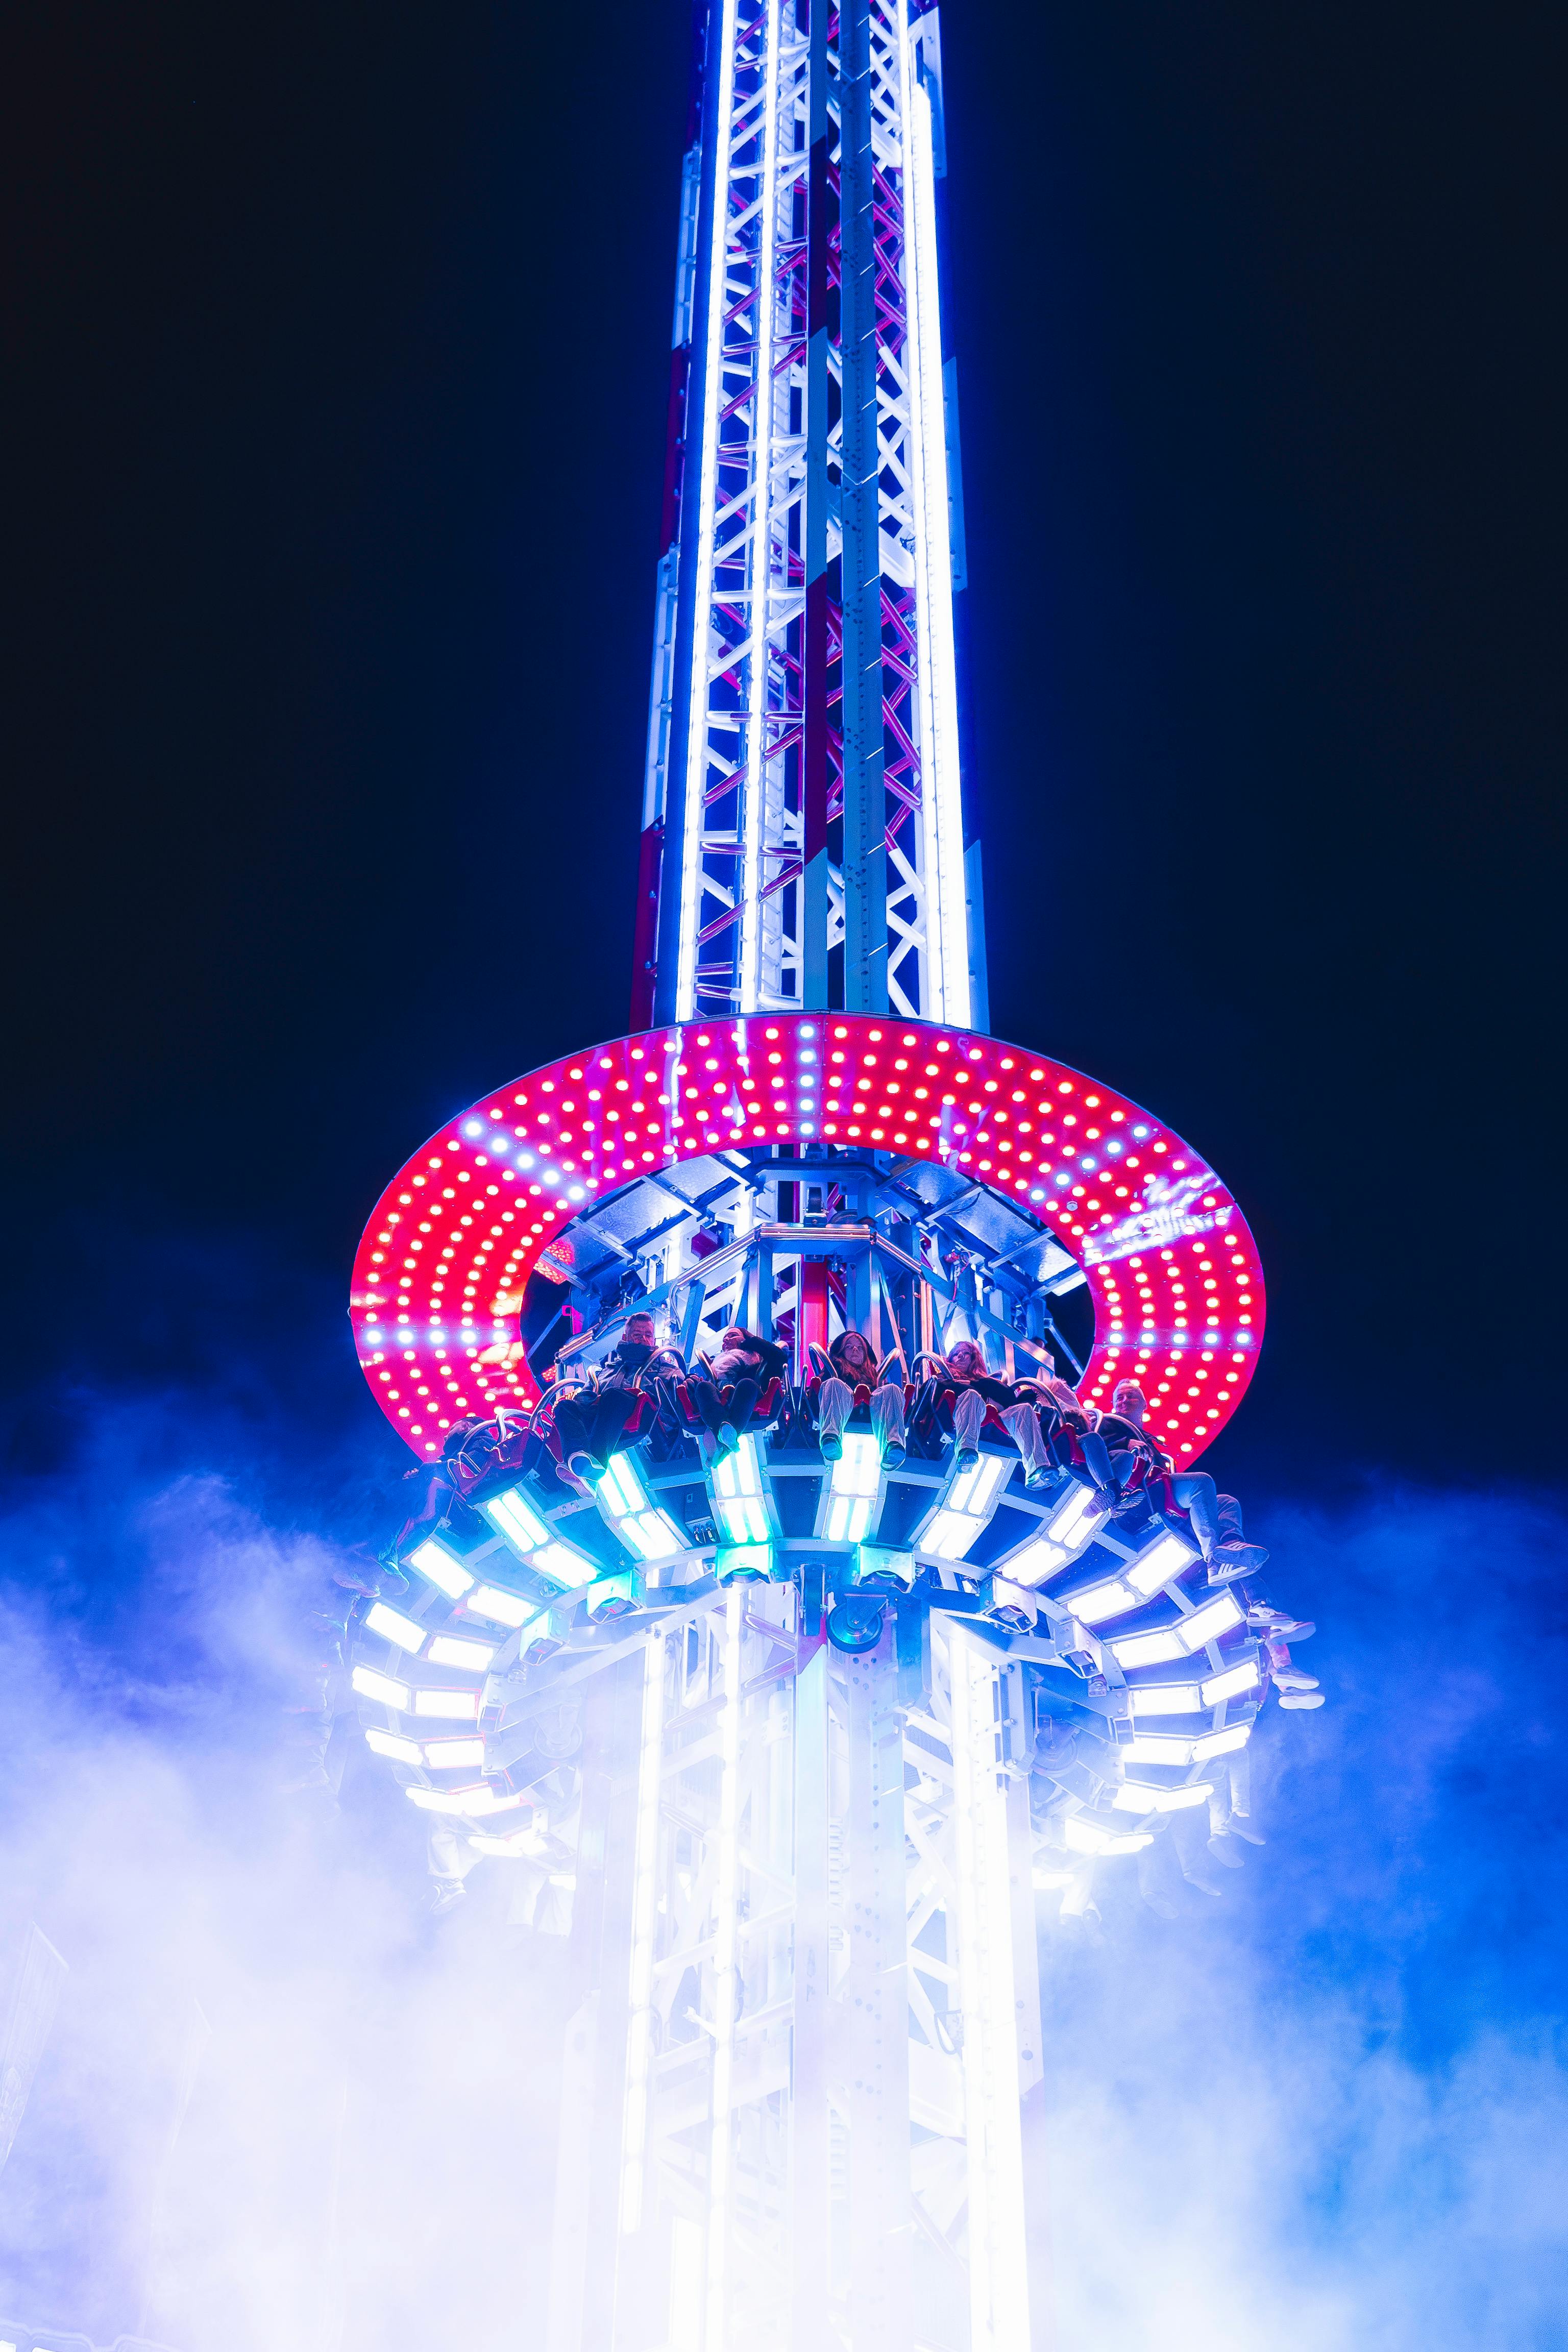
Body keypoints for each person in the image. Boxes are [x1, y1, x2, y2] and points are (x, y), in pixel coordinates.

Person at [553, 1312, 662, 1483]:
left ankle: (598, 1463)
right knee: (564, 1406)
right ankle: (578, 1464)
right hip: (604, 1418)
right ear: (626, 1337)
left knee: (614, 1395)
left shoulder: (663, 1367)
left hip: (642, 1416)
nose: (643, 1340)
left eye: (648, 1335)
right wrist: (582, 1401)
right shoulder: (607, 1370)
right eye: (637, 1335)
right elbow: (588, 1392)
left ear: (654, 1340)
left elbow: (672, 1392)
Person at [940, 1340, 1058, 1484]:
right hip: (963, 1409)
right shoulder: (945, 1378)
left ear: (973, 1359)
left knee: (1025, 1409)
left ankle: (1037, 1468)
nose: (961, 1356)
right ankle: (966, 1452)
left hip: (991, 1412)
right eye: (956, 1354)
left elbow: (1008, 1398)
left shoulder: (986, 1382)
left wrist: (979, 1388)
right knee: (972, 1395)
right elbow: (944, 1390)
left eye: (966, 1353)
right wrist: (980, 1392)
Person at [691, 1325, 788, 1456]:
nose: (727, 1339)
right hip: (721, 1400)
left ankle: (722, 1445)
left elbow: (779, 1357)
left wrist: (751, 1340)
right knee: (703, 1387)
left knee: (746, 1383)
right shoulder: (715, 1365)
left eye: (733, 1336)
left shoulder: (758, 1360)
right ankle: (726, 1436)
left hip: (748, 1397)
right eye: (725, 1338)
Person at [817, 1328, 907, 1466]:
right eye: (849, 1347)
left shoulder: (875, 1378)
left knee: (892, 1389)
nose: (855, 1350)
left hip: (872, 1412)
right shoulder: (831, 1373)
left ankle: (893, 1444)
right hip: (842, 1407)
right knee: (834, 1383)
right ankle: (831, 1438)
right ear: (841, 1350)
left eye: (860, 1348)